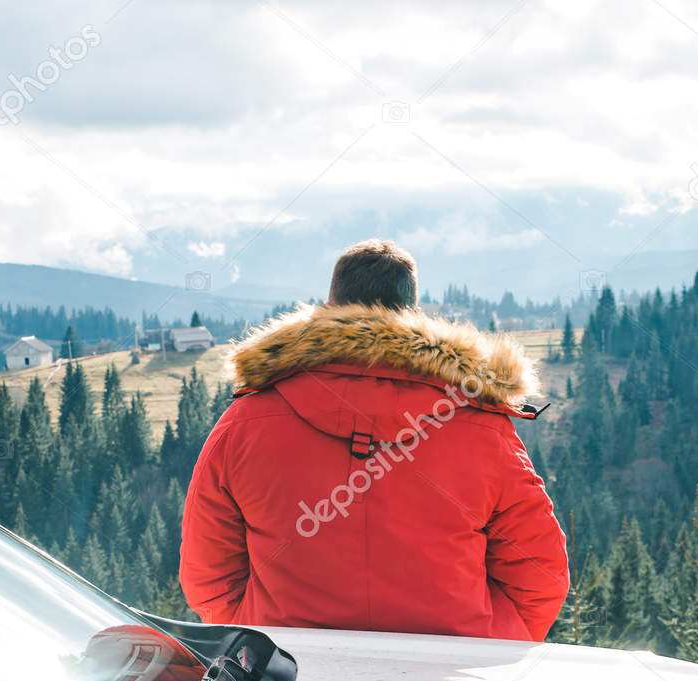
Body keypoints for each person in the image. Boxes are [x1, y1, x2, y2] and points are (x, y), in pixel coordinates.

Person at [179, 239, 569, 642]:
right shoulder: (481, 426)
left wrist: (260, 639)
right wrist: (482, 646)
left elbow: (209, 579)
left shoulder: (245, 423)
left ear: (328, 310)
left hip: (290, 678)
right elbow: (541, 577)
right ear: (415, 317)